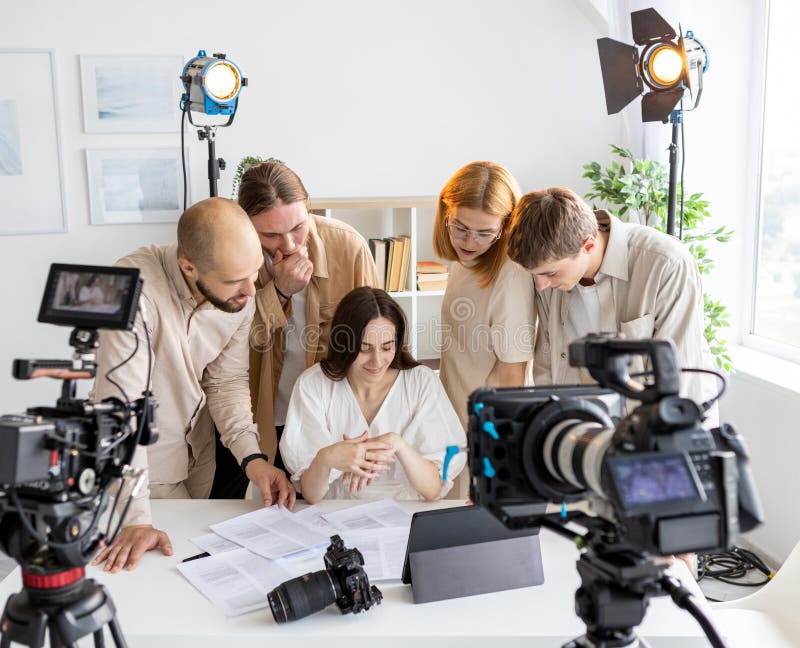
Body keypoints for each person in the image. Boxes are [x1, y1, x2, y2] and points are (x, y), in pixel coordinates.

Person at [91, 197, 295, 573]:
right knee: (158, 574)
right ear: (189, 267)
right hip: (141, 469)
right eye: (236, 281)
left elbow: (227, 382)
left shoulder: (239, 291)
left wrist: (252, 459)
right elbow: (122, 411)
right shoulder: (127, 289)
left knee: (198, 568)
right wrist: (135, 517)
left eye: (254, 273)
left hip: (198, 456)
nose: (251, 292)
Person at [211, 162, 378, 498]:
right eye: (270, 235)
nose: (287, 244)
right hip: (253, 418)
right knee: (236, 512)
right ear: (246, 226)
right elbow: (223, 343)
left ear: (308, 207)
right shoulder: (229, 256)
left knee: (318, 515)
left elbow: (378, 338)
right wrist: (279, 293)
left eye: (298, 228)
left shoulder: (348, 247)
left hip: (327, 419)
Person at [507, 186, 717, 413]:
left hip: (660, 424)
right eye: (534, 274)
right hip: (589, 426)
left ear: (588, 245)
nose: (541, 285)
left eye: (550, 273)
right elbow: (547, 368)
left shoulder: (666, 263)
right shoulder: (551, 276)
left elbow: (680, 375)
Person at [279, 287, 466, 503]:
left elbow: (433, 489)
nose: (377, 362)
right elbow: (311, 495)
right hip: (336, 514)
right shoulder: (314, 385)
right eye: (365, 349)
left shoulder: (420, 382)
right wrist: (327, 458)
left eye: (387, 347)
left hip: (405, 515)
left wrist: (397, 445)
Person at [433, 161, 536, 498]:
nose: (470, 241)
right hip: (453, 422)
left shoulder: (510, 275)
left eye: (484, 232)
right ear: (445, 211)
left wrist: (500, 455)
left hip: (485, 435)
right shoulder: (465, 261)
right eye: (460, 227)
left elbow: (513, 373)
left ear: (505, 227)